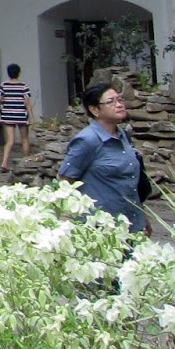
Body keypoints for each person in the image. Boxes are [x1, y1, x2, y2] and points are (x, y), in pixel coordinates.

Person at [59, 83, 150, 236]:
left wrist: (143, 218)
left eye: (119, 99)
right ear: (94, 110)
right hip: (101, 231)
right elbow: (65, 180)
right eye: (111, 102)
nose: (119, 105)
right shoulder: (87, 140)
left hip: (132, 225)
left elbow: (130, 184)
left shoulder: (123, 136)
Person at [0, 63, 34, 171]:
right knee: (25, 139)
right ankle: (26, 162)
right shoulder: (23, 86)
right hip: (21, 115)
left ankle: (4, 163)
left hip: (7, 115)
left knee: (10, 141)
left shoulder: (3, 85)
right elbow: (27, 102)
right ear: (19, 73)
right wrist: (32, 117)